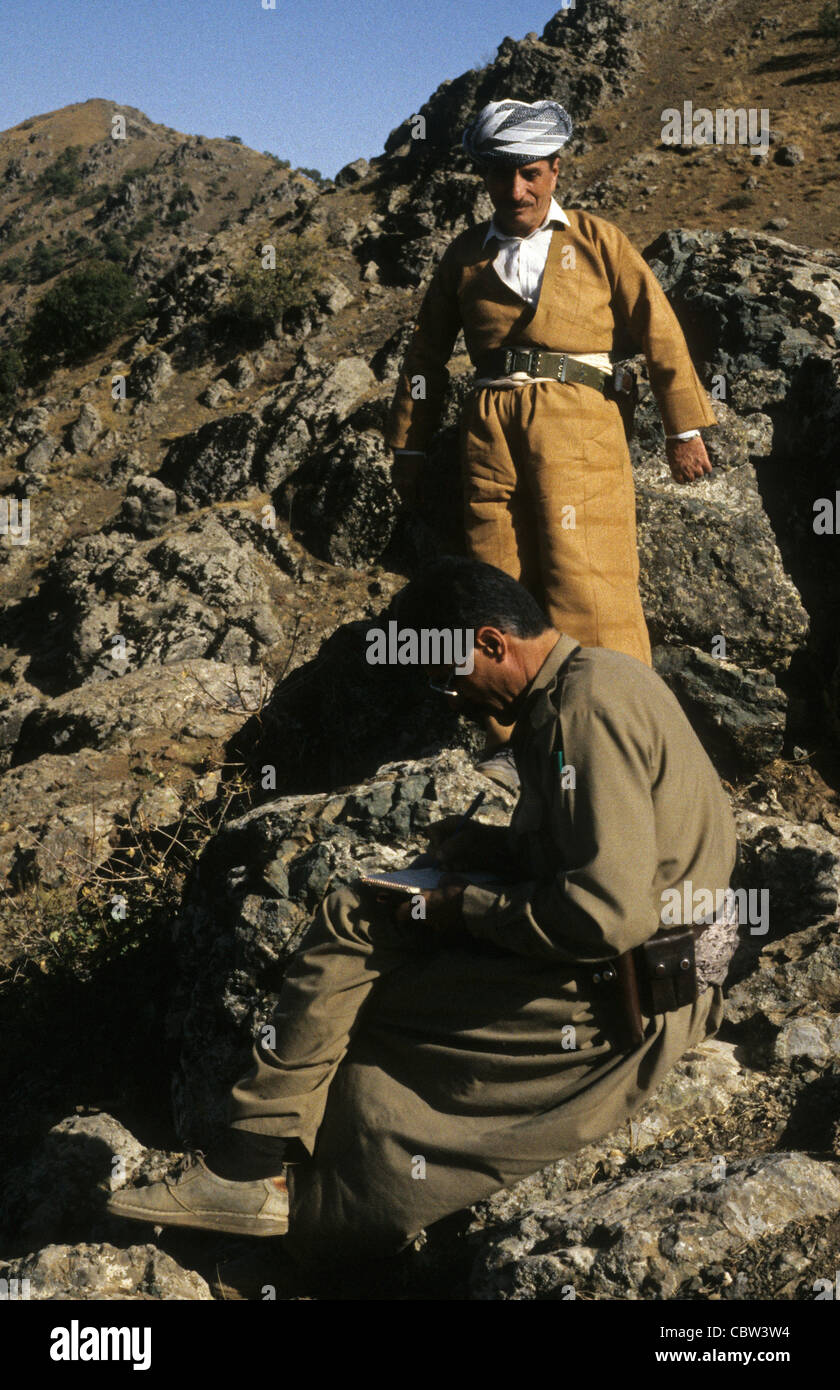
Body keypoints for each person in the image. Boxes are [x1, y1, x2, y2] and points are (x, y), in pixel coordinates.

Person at [108, 558, 739, 1270]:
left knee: (369, 1032)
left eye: (448, 676)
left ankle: (267, 1192)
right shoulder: (592, 680)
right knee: (361, 924)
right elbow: (617, 855)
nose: (450, 701)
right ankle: (255, 1172)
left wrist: (461, 908)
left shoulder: (580, 710)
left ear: (494, 644)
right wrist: (498, 849)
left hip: (621, 1006)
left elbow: (606, 914)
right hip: (648, 976)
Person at [385, 99, 717, 785]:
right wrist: (411, 447)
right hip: (487, 435)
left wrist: (683, 427)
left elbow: (657, 327)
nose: (517, 191)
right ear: (482, 176)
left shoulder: (598, 241)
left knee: (590, 583)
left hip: (579, 427)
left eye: (530, 174)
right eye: (500, 176)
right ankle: (515, 745)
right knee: (497, 585)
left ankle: (624, 737)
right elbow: (423, 357)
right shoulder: (465, 257)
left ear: (556, 169)